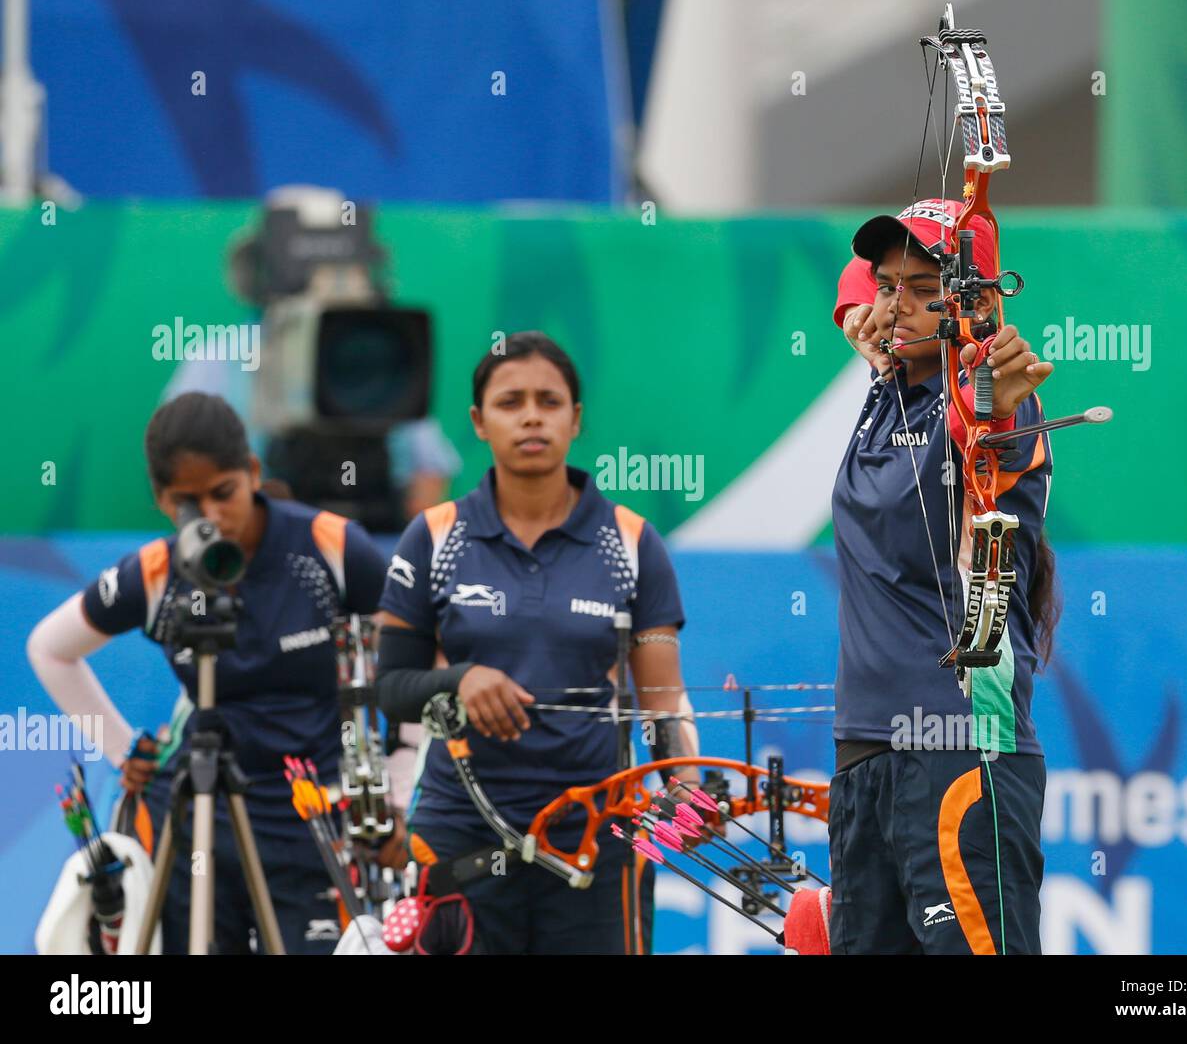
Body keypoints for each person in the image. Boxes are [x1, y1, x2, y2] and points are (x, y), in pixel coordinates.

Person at [26, 392, 392, 953]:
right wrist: (124, 751)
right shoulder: (154, 574)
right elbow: (49, 648)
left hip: (313, 821)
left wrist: (404, 768)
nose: (213, 517)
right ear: (160, 500)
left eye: (224, 493)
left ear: (252, 472)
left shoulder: (332, 547)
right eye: (188, 503)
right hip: (198, 821)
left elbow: (420, 644)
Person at [374, 331, 695, 955]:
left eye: (549, 402)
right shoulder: (433, 535)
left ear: (575, 420)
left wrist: (685, 789)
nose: (530, 416)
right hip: (462, 833)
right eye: (510, 401)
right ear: (478, 421)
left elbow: (662, 700)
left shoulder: (632, 541)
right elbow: (390, 689)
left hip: (598, 837)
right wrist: (457, 680)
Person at [828, 200, 1059, 954]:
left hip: (961, 750)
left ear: (977, 299)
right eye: (887, 286)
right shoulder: (888, 386)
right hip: (866, 753)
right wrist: (862, 312)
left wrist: (989, 383)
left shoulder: (988, 399)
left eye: (924, 287)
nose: (895, 305)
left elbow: (981, 418)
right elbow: (852, 287)